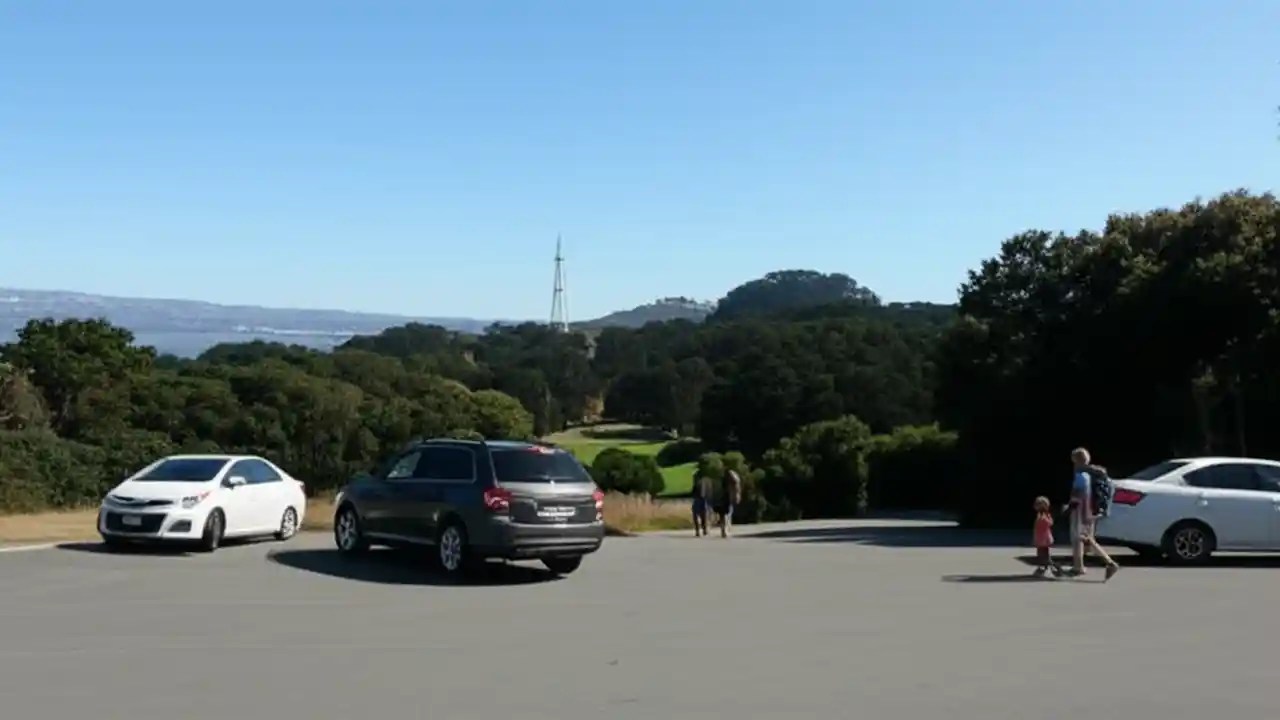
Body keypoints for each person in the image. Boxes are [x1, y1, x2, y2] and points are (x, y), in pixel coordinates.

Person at [1064, 447, 1120, 581]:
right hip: (1090, 512)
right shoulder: (1093, 473)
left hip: (1081, 513)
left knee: (1079, 539)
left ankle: (1109, 563)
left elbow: (1078, 495)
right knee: (1086, 539)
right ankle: (1080, 566)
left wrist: (1068, 508)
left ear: (1076, 460)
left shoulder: (1081, 475)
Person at [1031, 496, 1063, 577]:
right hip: (1042, 538)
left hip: (1043, 539)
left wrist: (1043, 520)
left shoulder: (1043, 515)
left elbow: (1048, 523)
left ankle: (1054, 567)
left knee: (1043, 555)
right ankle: (1045, 567)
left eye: (1037, 504)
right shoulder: (1042, 515)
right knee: (1043, 555)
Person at [720, 468, 742, 538]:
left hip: (725, 496)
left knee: (725, 514)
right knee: (727, 513)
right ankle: (725, 530)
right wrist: (737, 496)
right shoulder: (734, 481)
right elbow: (737, 488)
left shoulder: (725, 480)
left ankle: (724, 530)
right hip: (728, 497)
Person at [691, 471, 712, 537]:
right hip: (703, 500)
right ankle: (703, 530)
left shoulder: (699, 482)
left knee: (697, 515)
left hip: (700, 500)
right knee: (703, 515)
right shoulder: (705, 481)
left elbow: (695, 492)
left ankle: (699, 530)